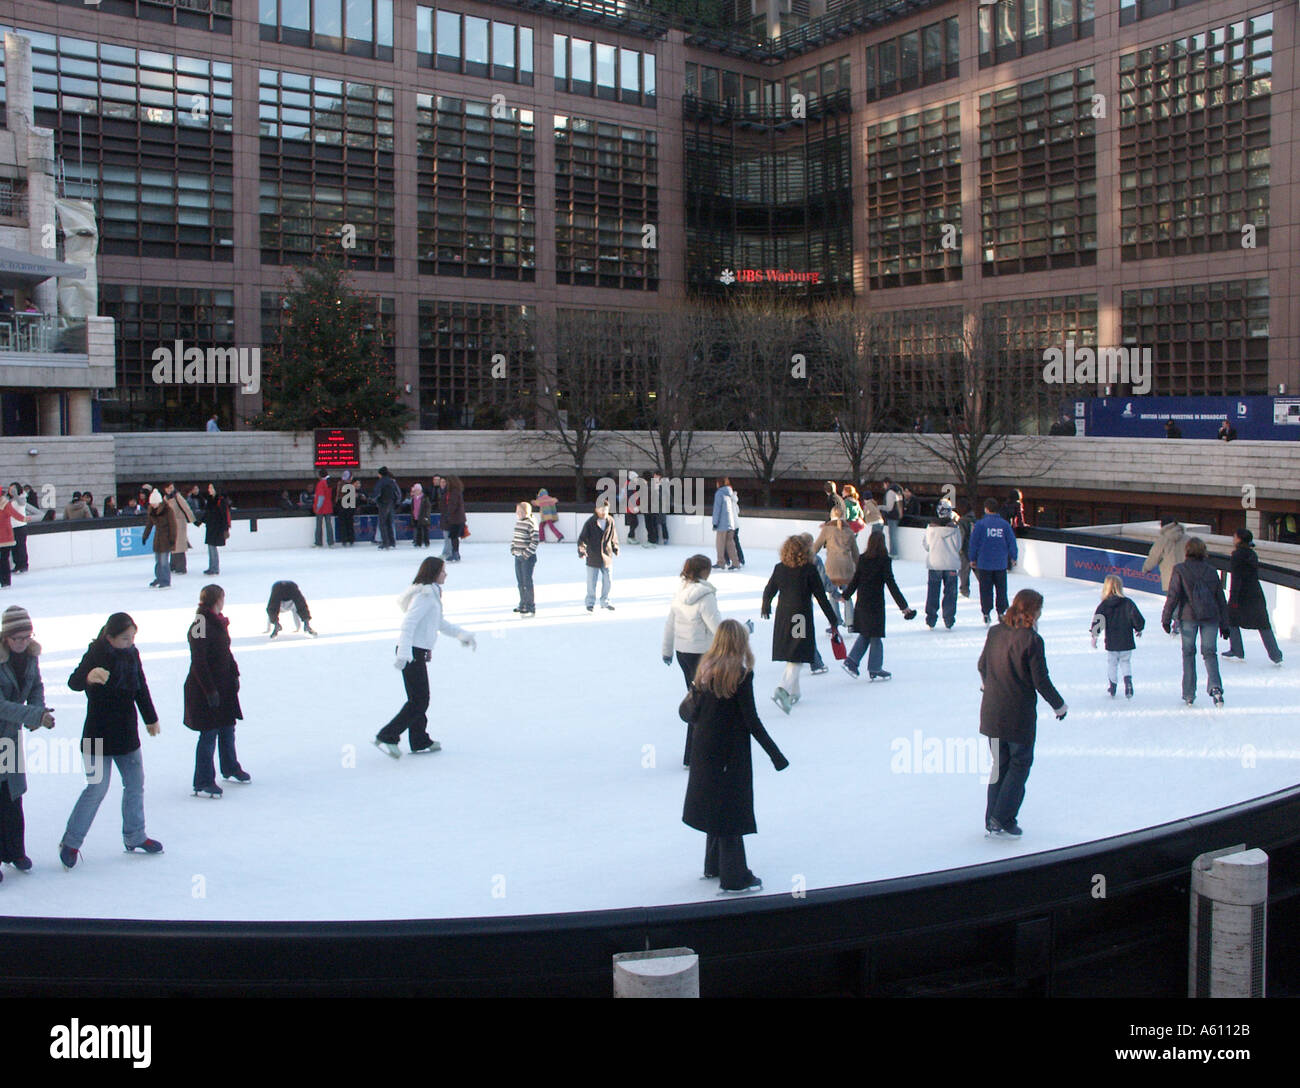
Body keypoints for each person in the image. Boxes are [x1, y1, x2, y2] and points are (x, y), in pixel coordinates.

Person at [680, 619, 788, 894]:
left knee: (715, 807)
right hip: (729, 754)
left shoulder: (704, 670)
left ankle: (714, 865)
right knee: (731, 812)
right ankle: (734, 877)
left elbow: (692, 713)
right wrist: (776, 755)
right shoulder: (739, 676)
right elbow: (751, 720)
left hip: (704, 750)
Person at [60, 613, 163, 868]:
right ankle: (71, 843)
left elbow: (141, 687)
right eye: (125, 638)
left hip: (126, 734)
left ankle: (135, 836)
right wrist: (89, 676)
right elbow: (73, 682)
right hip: (96, 734)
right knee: (97, 788)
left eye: (133, 637)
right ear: (110, 637)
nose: (130, 642)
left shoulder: (132, 655)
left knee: (135, 785)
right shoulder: (96, 654)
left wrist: (150, 717)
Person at [979, 589, 1068, 838]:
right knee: (1018, 765)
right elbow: (1041, 680)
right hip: (1017, 717)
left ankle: (992, 819)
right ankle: (1002, 817)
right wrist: (1059, 705)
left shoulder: (995, 632)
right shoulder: (1031, 640)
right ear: (1032, 611)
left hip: (992, 712)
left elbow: (981, 665)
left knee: (1000, 765)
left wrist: (989, 685)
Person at [374, 557, 476, 758]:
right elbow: (409, 624)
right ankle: (388, 735)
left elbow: (439, 623)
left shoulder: (432, 593)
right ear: (434, 573)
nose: (446, 574)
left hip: (416, 651)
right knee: (419, 701)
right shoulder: (425, 595)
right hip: (410, 652)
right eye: (443, 571)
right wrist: (404, 653)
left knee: (418, 699)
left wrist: (461, 634)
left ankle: (419, 739)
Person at [0, 606, 55, 876]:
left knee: (12, 794)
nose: (23, 642)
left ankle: (15, 851)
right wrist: (35, 715)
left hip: (9, 736)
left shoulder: (31, 656)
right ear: (6, 637)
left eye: (27, 636)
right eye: (17, 638)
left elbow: (36, 687)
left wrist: (39, 712)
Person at [760, 535, 840, 713]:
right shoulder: (809, 570)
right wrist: (833, 619)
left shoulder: (780, 568)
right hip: (800, 617)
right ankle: (783, 689)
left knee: (793, 653)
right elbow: (821, 597)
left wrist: (765, 606)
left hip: (783, 616)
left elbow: (769, 590)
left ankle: (794, 693)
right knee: (798, 654)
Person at [185, 585, 248, 797]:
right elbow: (199, 661)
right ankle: (203, 780)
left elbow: (225, 651)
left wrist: (235, 672)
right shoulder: (201, 623)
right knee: (209, 733)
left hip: (224, 685)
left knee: (227, 727)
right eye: (223, 598)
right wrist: (210, 690)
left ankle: (230, 766)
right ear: (216, 600)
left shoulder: (217, 620)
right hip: (205, 688)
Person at [662, 555, 722, 765]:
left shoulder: (680, 592)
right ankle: (698, 754)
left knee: (697, 699)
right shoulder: (706, 596)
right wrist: (740, 634)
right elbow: (717, 627)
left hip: (683, 653)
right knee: (704, 704)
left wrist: (667, 650)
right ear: (704, 571)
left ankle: (693, 754)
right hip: (701, 654)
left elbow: (670, 623)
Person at [838, 530, 916, 680]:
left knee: (868, 634)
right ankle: (871, 667)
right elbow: (891, 584)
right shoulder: (884, 561)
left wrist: (845, 596)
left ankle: (854, 662)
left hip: (862, 603)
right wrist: (903, 606)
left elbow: (855, 580)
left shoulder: (863, 559)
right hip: (875, 604)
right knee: (874, 635)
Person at [1161, 537, 1229, 707]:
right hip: (1210, 617)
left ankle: (1189, 694)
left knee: (1188, 654)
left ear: (1187, 550)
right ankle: (1216, 688)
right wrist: (1225, 624)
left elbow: (1173, 596)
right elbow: (1220, 598)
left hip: (1188, 617)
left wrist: (1166, 618)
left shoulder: (1180, 569)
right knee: (1210, 653)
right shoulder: (1212, 570)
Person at [1222, 529, 1283, 666]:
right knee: (1263, 624)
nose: (1233, 538)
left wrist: (1233, 599)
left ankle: (1236, 649)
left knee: (1232, 619)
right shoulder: (1252, 554)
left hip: (1242, 594)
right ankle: (1275, 654)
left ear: (1239, 539)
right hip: (1255, 593)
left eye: (1235, 536)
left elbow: (1236, 578)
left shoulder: (1237, 555)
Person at [1090, 575, 1146, 698]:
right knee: (1126, 662)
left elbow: (1098, 621)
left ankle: (1112, 686)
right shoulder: (1128, 603)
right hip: (1126, 641)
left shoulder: (1104, 605)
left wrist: (1095, 636)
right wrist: (1139, 629)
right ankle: (1128, 682)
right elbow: (1137, 618)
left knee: (1112, 664)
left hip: (1112, 642)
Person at [969, 499, 1017, 624]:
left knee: (985, 589)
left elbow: (974, 543)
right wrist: (1013, 556)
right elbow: (1011, 541)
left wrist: (972, 558)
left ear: (986, 509)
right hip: (1000, 563)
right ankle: (1001, 612)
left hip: (984, 563)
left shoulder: (980, 524)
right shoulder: (1004, 525)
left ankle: (986, 612)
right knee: (1001, 589)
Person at [811, 503, 859, 625]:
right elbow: (855, 553)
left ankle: (835, 620)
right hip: (847, 567)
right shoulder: (849, 531)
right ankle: (850, 621)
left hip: (832, 567)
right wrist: (858, 568)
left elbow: (816, 547)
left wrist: (807, 558)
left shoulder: (827, 530)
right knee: (847, 594)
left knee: (832, 594)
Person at [923, 501, 962, 630]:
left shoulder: (931, 528)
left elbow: (926, 546)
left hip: (935, 563)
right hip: (951, 563)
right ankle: (949, 619)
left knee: (933, 591)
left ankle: (931, 619)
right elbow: (958, 546)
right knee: (950, 591)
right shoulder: (955, 528)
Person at [577, 499, 619, 611]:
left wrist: (615, 546)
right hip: (593, 555)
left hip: (606, 555)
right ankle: (590, 602)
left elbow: (613, 535)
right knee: (591, 581)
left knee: (608, 580)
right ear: (596, 510)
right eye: (602, 509)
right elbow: (582, 539)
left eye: (606, 509)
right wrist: (582, 550)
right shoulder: (590, 522)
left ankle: (605, 601)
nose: (604, 511)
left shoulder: (610, 521)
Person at [1141, 516, 1187, 594]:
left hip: (1170, 580)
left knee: (1172, 603)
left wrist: (1145, 569)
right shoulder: (1188, 539)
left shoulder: (1162, 540)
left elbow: (1154, 557)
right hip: (1187, 579)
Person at [140, 489, 175, 588]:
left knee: (164, 561)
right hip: (158, 539)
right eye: (152, 503)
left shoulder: (168, 510)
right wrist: (145, 536)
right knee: (158, 561)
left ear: (159, 502)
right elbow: (149, 525)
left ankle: (166, 581)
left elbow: (173, 526)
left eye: (155, 503)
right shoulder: (151, 511)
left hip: (166, 538)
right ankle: (159, 578)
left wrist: (172, 539)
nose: (153, 505)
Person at [510, 501, 539, 615]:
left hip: (527, 558)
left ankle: (530, 605)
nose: (519, 514)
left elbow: (535, 541)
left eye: (521, 512)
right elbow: (515, 538)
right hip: (517, 556)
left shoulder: (531, 523)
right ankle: (522, 604)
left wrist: (526, 554)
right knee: (520, 582)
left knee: (527, 582)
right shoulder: (518, 522)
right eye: (517, 512)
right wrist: (513, 548)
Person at [164, 482, 196, 574]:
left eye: (171, 487)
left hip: (179, 523)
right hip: (170, 524)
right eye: (168, 488)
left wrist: (193, 520)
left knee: (179, 546)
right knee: (173, 545)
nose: (170, 489)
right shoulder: (166, 498)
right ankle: (173, 565)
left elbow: (186, 508)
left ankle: (181, 567)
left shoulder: (177, 496)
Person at [0, 490, 28, 589]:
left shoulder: (5, 504)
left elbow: (14, 513)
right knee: (3, 559)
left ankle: (5, 582)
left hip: (6, 537)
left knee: (3, 559)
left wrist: (24, 519)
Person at [201, 482, 231, 575]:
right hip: (211, 527)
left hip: (217, 528)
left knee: (213, 547)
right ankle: (212, 567)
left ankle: (215, 568)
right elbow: (207, 513)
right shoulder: (210, 499)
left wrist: (225, 528)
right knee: (211, 547)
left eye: (211, 488)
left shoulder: (220, 500)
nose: (209, 490)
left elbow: (224, 516)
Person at [712, 477, 741, 570]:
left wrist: (715, 522)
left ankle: (721, 562)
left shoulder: (719, 493)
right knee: (730, 544)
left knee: (720, 544)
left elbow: (717, 509)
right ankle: (736, 563)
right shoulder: (730, 493)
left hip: (722, 524)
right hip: (731, 524)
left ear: (719, 483)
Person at [373, 467, 401, 550]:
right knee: (389, 523)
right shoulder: (392, 481)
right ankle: (392, 542)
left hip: (383, 504)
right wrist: (396, 502)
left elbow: (377, 493)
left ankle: (385, 543)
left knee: (382, 524)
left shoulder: (381, 482)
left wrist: (373, 500)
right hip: (391, 504)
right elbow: (397, 493)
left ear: (380, 474)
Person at [440, 474, 466, 561]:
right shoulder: (456, 491)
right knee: (454, 537)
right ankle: (455, 553)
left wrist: (448, 514)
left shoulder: (454, 492)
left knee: (453, 537)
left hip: (455, 519)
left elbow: (453, 505)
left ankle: (455, 554)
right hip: (457, 518)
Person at [6, 484, 31, 574]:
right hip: (11, 526)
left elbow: (21, 503)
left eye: (13, 489)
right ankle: (17, 565)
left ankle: (23, 565)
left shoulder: (22, 497)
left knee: (21, 546)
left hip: (20, 526)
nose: (11, 491)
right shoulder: (8, 500)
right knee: (14, 547)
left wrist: (15, 494)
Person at [312, 468, 335, 548]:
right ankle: (331, 542)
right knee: (329, 525)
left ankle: (318, 542)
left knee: (319, 525)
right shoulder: (329, 483)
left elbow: (321, 497)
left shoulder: (321, 483)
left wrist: (318, 507)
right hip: (328, 506)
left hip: (321, 507)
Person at [880, 478, 902, 557]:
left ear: (886, 483)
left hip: (892, 516)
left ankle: (893, 552)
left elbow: (889, 507)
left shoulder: (890, 492)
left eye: (883, 484)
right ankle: (894, 552)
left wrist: (879, 507)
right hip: (897, 516)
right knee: (894, 535)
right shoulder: (898, 491)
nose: (883, 487)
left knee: (892, 535)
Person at [335, 470, 357, 547]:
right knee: (349, 523)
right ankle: (351, 539)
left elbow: (337, 496)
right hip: (350, 506)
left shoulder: (340, 484)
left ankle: (344, 540)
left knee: (343, 524)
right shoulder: (351, 486)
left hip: (342, 506)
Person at [409, 483, 431, 548]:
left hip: (423, 516)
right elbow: (413, 507)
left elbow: (428, 507)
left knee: (425, 530)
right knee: (418, 530)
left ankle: (426, 542)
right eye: (415, 490)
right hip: (416, 516)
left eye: (418, 490)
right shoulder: (414, 498)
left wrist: (426, 515)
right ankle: (418, 543)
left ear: (421, 490)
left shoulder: (424, 498)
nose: (416, 491)